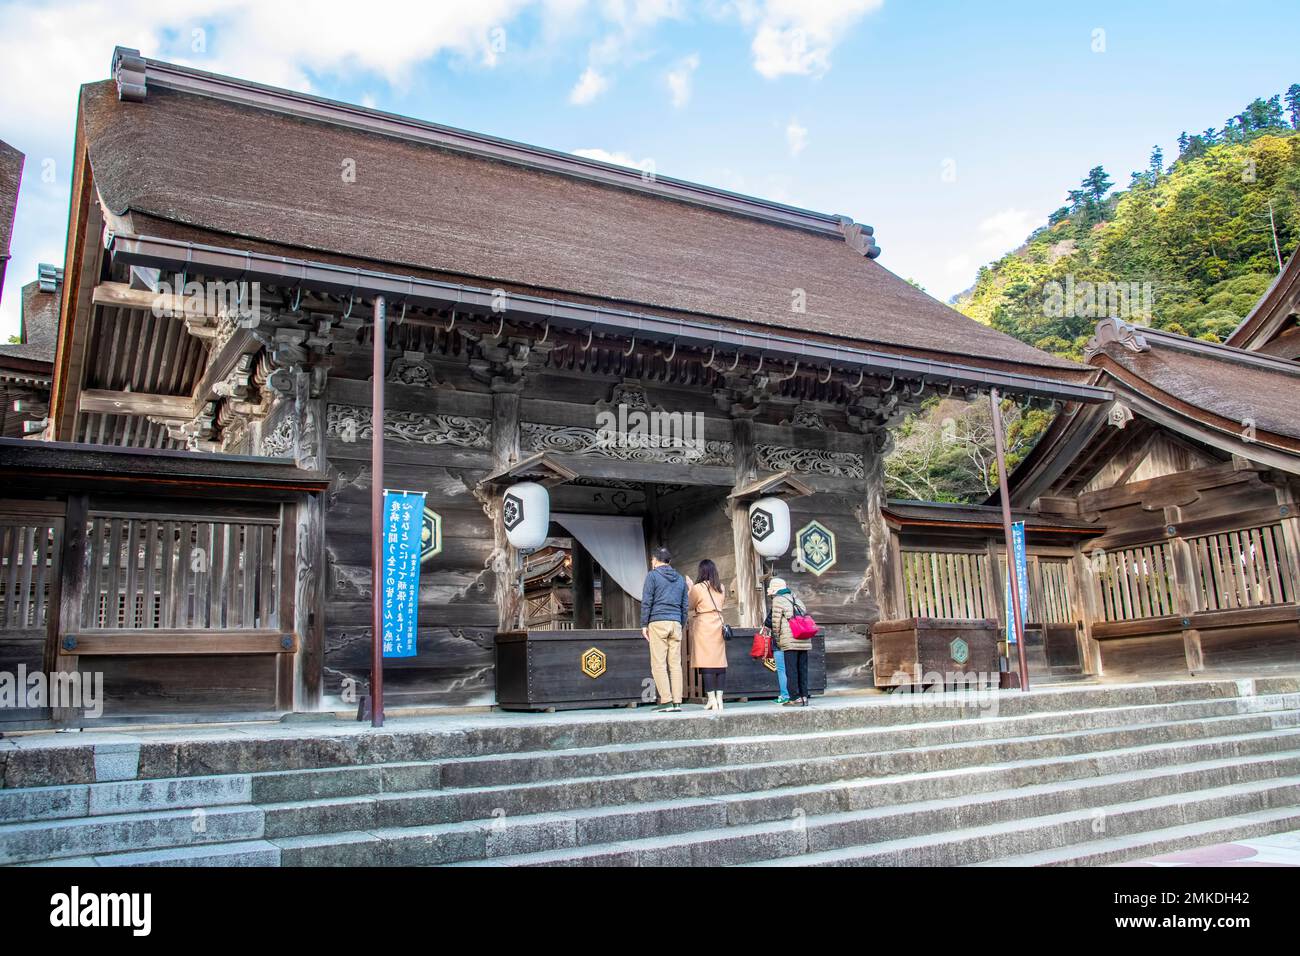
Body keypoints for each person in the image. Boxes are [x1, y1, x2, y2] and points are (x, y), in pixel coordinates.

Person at [641, 546, 689, 712]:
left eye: (652, 560)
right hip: (675, 622)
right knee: (675, 664)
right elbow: (685, 605)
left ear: (655, 560)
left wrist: (644, 624)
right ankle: (677, 702)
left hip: (658, 621)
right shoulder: (681, 579)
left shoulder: (652, 576)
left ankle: (666, 701)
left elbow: (647, 601)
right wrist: (680, 623)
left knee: (658, 664)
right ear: (670, 561)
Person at [688, 559, 729, 712]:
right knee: (719, 662)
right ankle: (720, 699)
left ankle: (711, 699)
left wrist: (690, 588)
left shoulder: (698, 588)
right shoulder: (721, 587)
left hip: (704, 624)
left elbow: (690, 605)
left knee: (706, 662)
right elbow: (722, 604)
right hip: (718, 623)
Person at [768, 577, 810, 706]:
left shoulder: (778, 600)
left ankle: (794, 698)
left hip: (789, 640)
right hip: (803, 638)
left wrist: (777, 639)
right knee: (802, 669)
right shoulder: (796, 599)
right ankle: (804, 696)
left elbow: (775, 623)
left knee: (791, 670)